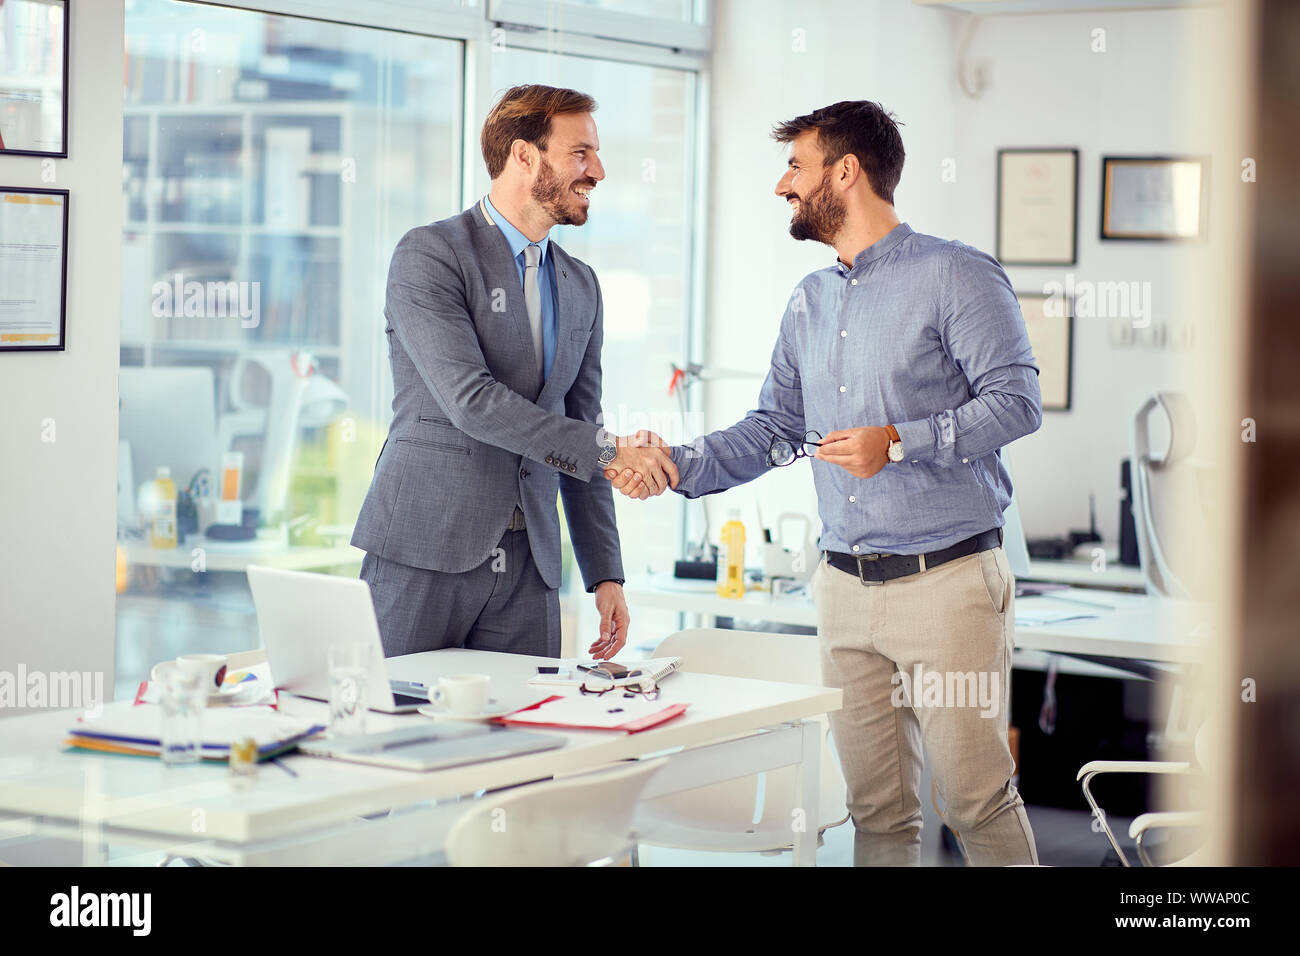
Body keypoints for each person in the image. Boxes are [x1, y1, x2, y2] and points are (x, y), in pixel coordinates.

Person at [610, 100, 1042, 866]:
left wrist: (901, 442)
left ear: (846, 171)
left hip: (946, 584)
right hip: (842, 587)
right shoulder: (809, 303)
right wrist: (676, 463)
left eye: (796, 166)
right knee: (876, 813)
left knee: (974, 799)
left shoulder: (953, 272)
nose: (784, 184)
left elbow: (1016, 403)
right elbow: (775, 430)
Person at [353, 84, 677, 661]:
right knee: (388, 728)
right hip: (425, 549)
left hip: (531, 568)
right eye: (581, 153)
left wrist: (606, 573)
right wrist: (610, 452)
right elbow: (472, 400)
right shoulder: (430, 255)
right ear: (524, 156)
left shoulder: (582, 285)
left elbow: (581, 422)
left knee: (523, 741)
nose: (598, 171)